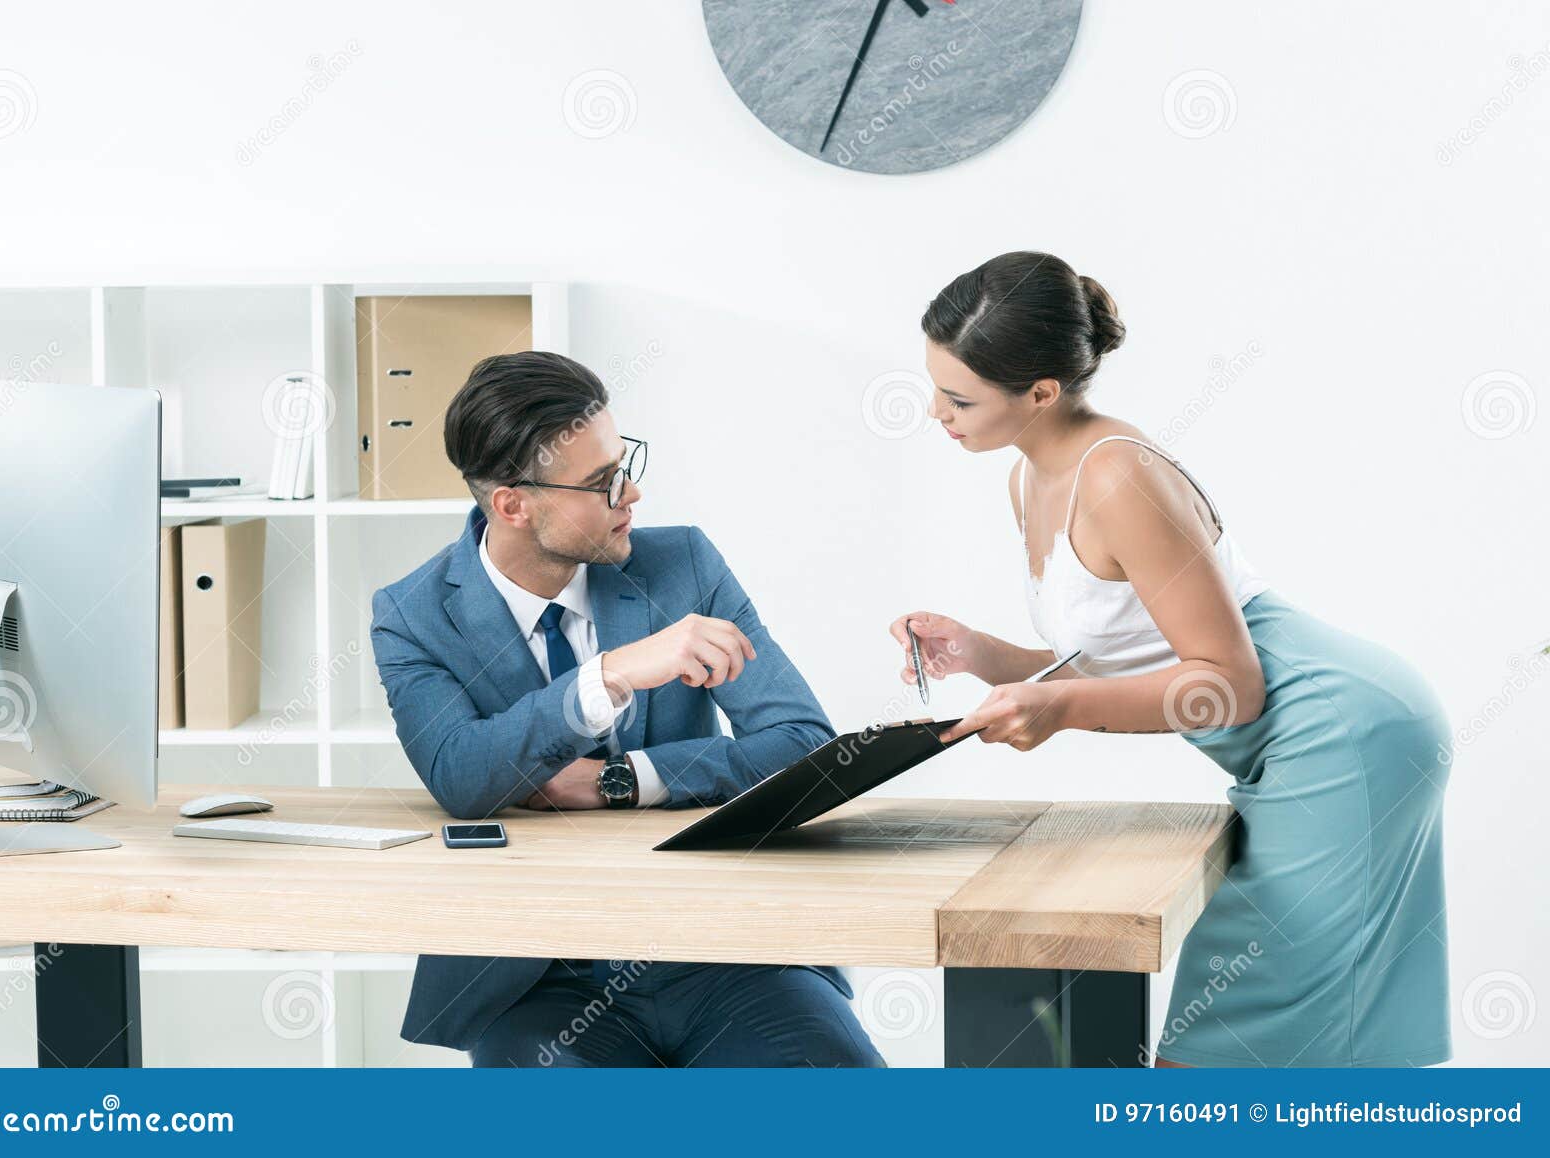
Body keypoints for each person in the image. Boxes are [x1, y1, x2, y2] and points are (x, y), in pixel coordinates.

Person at [890, 252, 1451, 1067]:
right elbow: (1124, 657)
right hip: (1303, 740)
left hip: (1340, 732)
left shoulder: (1117, 477)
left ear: (1041, 393)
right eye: (935, 385)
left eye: (960, 397)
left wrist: (1060, 711)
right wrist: (982, 655)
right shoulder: (1029, 477)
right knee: (1305, 1040)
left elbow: (1229, 686)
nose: (935, 411)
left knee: (1217, 1044)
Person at [371, 350, 882, 1067]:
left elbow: (804, 745)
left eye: (625, 464)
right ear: (514, 505)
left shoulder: (684, 566)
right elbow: (460, 775)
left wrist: (627, 779)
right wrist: (607, 675)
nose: (631, 494)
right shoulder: (414, 615)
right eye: (601, 482)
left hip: (724, 950)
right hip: (539, 978)